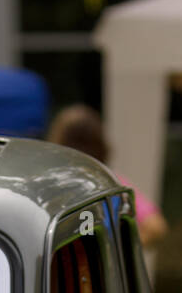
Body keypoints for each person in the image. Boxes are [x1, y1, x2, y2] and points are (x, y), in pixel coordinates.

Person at [47, 104, 168, 248]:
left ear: (58, 143)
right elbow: (155, 228)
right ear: (100, 144)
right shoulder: (112, 184)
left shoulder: (49, 188)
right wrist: (115, 249)